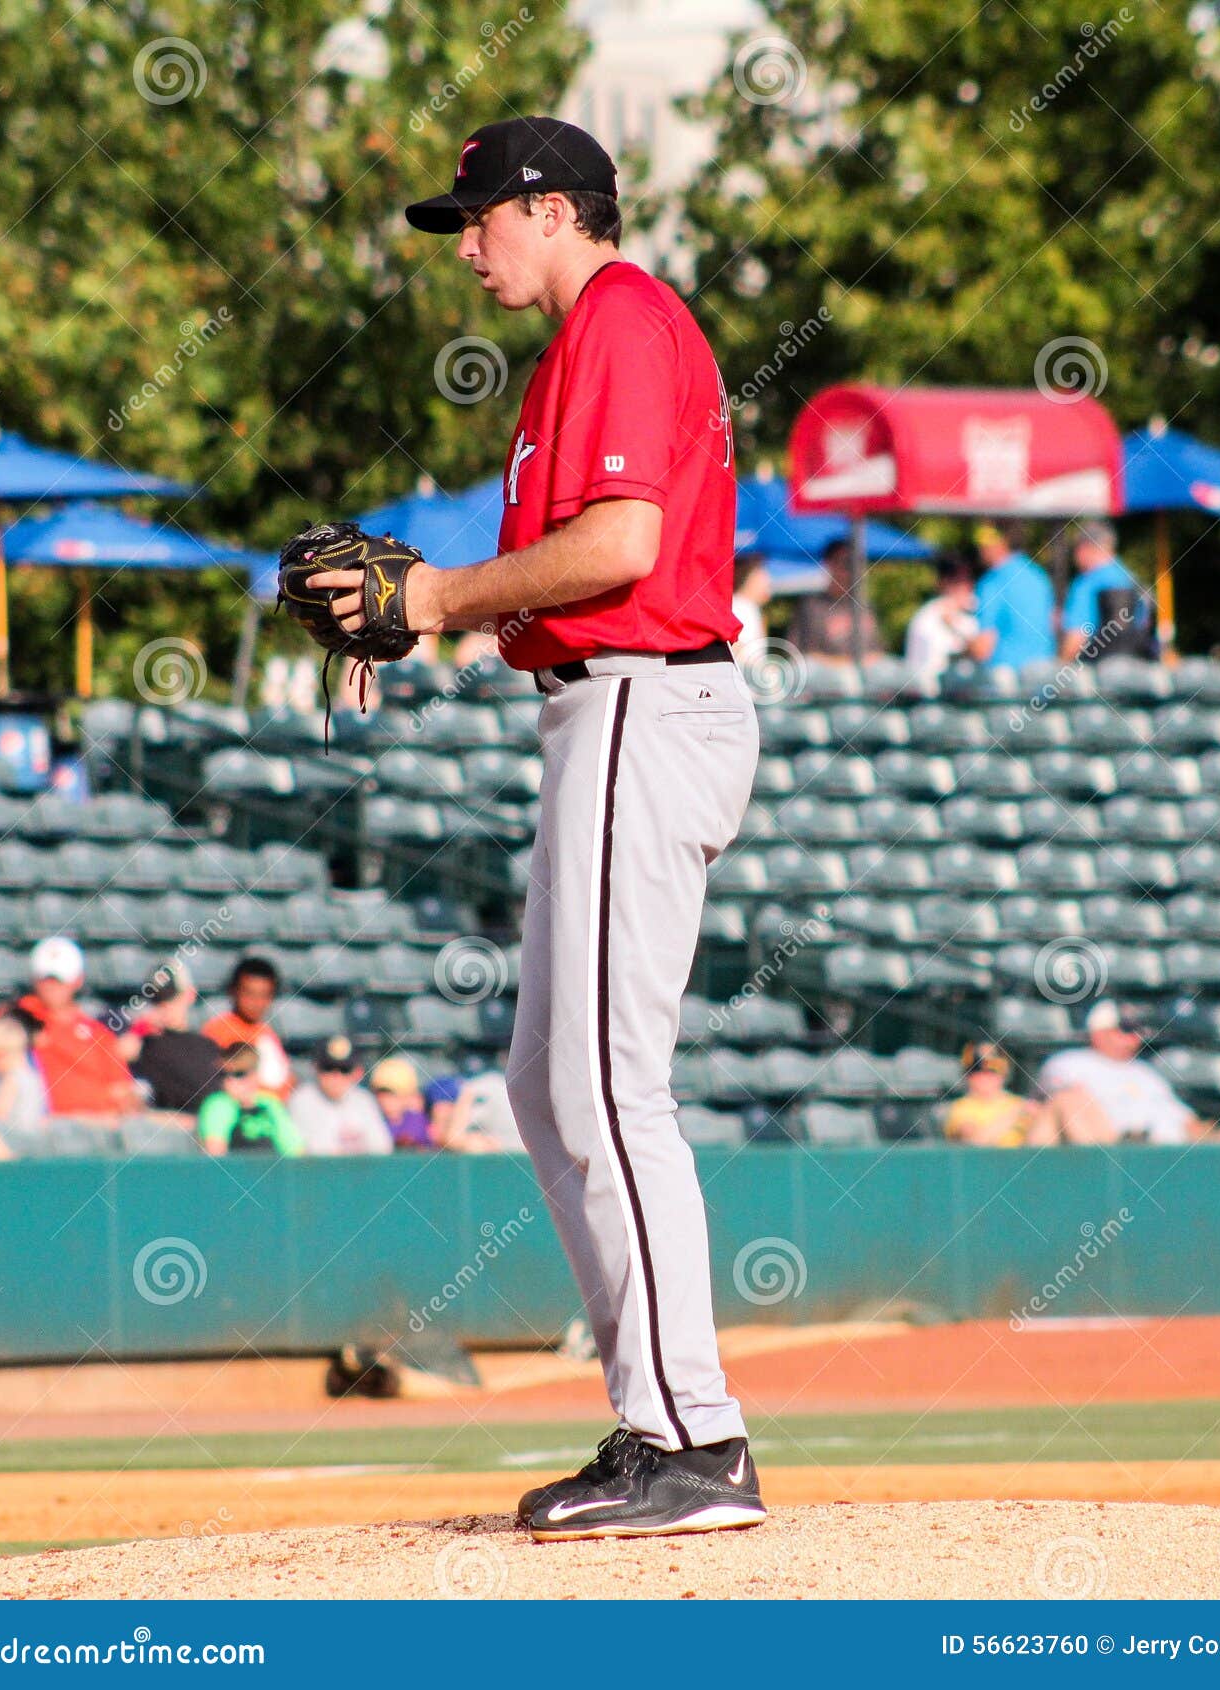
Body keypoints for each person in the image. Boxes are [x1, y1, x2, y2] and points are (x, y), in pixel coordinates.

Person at [315, 115, 766, 1538]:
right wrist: (430, 609)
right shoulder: (583, 344)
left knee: (610, 1085)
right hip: (602, 707)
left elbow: (626, 549)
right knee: (544, 1081)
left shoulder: (623, 318)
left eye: (477, 220)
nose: (466, 247)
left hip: (644, 700)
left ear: (554, 209)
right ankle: (659, 1419)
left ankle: (692, 1434)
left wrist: (438, 598)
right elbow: (572, 559)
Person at [1036, 1002, 1220, 1145]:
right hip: (1100, 1155)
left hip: (1157, 1156)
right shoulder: (1070, 1062)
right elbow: (1063, 1103)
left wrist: (1216, 1135)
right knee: (1069, 1099)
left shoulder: (1147, 1074)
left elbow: (1185, 1122)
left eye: (1137, 1030)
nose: (1133, 1037)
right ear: (1098, 1032)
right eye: (1125, 1029)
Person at [0, 937, 139, 1120]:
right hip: (42, 1127)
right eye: (46, 979)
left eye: (59, 980)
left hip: (98, 1127)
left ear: (77, 980)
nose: (52, 987)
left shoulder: (98, 1033)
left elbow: (122, 1091)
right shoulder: (14, 1017)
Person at [127, 961, 223, 1119]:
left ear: (190, 995)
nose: (164, 1005)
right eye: (157, 999)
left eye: (170, 997)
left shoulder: (207, 1047)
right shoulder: (142, 1045)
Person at [1060, 519, 1154, 662]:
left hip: (1098, 673)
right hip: (1137, 670)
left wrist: (1060, 669)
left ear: (1084, 548)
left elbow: (1076, 637)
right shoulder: (1132, 580)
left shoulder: (1087, 583)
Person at [202, 957, 293, 1098]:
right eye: (250, 994)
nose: (257, 1002)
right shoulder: (218, 1030)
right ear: (233, 991)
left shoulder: (267, 1033)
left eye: (264, 995)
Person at [971, 522, 1056, 670]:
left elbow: (983, 649)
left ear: (1003, 541)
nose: (979, 546)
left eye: (983, 538)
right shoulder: (1038, 575)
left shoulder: (992, 581)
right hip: (1042, 674)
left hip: (1005, 678)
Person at [289, 1036, 392, 1156]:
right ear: (315, 1068)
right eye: (328, 1068)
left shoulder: (364, 1100)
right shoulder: (302, 1100)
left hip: (363, 1173)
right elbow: (316, 1154)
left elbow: (382, 1149)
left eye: (344, 1069)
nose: (336, 1076)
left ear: (358, 1072)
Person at [196, 1043, 303, 1157]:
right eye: (223, 1074)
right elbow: (216, 1154)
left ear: (254, 1074)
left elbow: (296, 1151)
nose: (229, 1080)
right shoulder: (218, 1104)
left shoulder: (269, 1103)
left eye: (238, 1074)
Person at [789, 539, 884, 663]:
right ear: (829, 564)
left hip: (868, 678)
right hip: (826, 679)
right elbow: (799, 656)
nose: (853, 571)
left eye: (858, 563)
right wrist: (844, 665)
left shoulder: (865, 605)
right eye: (846, 563)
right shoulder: (812, 606)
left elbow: (879, 651)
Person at [904, 555, 979, 688]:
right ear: (944, 584)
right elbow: (930, 667)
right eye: (958, 582)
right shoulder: (926, 618)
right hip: (933, 696)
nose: (966, 587)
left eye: (968, 581)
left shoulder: (970, 618)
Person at [942, 1043, 1038, 1146]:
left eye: (993, 1070)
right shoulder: (959, 1108)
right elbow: (974, 1141)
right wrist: (1016, 1114)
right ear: (967, 1074)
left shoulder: (1023, 1104)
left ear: (1004, 1073)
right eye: (977, 1070)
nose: (985, 1076)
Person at [0, 1014, 48, 1148]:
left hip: (17, 1139)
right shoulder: (32, 1075)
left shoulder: (12, 1078)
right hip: (32, 1136)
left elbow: (0, 1114)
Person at [369, 1055, 437, 1151]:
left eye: (392, 1094)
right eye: (381, 1094)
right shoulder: (371, 1119)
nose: (385, 1100)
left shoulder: (416, 1121)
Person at [730, 552, 771, 657]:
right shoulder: (744, 608)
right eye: (761, 577)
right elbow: (738, 649)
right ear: (750, 580)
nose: (768, 583)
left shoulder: (746, 607)